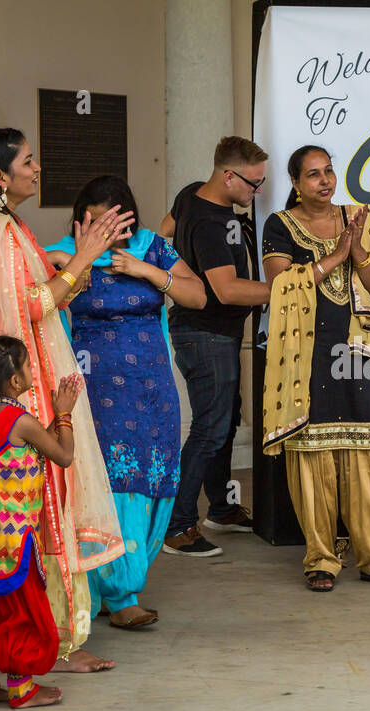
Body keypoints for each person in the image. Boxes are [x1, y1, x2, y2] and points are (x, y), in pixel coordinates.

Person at [0, 128, 133, 673]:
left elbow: (46, 295)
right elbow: (35, 306)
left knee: (33, 512)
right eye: (29, 161)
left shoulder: (3, 225)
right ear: (0, 176)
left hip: (24, 385)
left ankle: (32, 642)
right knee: (25, 517)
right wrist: (83, 257)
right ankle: (42, 646)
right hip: (15, 395)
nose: (38, 169)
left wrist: (85, 261)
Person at [44, 176, 206, 628]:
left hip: (153, 391)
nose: (103, 232)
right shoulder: (65, 251)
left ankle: (125, 583)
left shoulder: (153, 247)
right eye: (94, 223)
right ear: (81, 220)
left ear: (130, 221)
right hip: (94, 393)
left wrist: (145, 272)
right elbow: (34, 296)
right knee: (107, 487)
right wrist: (77, 260)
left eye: (114, 224)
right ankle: (106, 592)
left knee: (150, 484)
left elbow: (197, 294)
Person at [260, 145, 370, 591]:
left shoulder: (357, 217)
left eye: (328, 172)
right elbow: (280, 286)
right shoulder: (280, 225)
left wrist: (356, 248)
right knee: (313, 451)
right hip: (304, 349)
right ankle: (322, 558)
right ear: (296, 184)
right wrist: (335, 255)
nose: (324, 181)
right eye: (312, 175)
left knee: (367, 447)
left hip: (356, 347)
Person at [0, 337, 78, 709]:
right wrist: (64, 413)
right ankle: (22, 688)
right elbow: (64, 455)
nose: (31, 371)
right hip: (16, 537)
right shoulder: (19, 419)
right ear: (15, 382)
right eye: (27, 365)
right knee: (21, 611)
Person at [162, 137, 272, 557]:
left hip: (211, 334)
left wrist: (177, 268)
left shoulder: (191, 193)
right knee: (210, 428)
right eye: (253, 184)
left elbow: (164, 230)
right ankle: (179, 526)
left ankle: (221, 509)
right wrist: (291, 287)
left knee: (224, 424)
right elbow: (226, 291)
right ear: (229, 177)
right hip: (203, 334)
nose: (256, 193)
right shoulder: (210, 222)